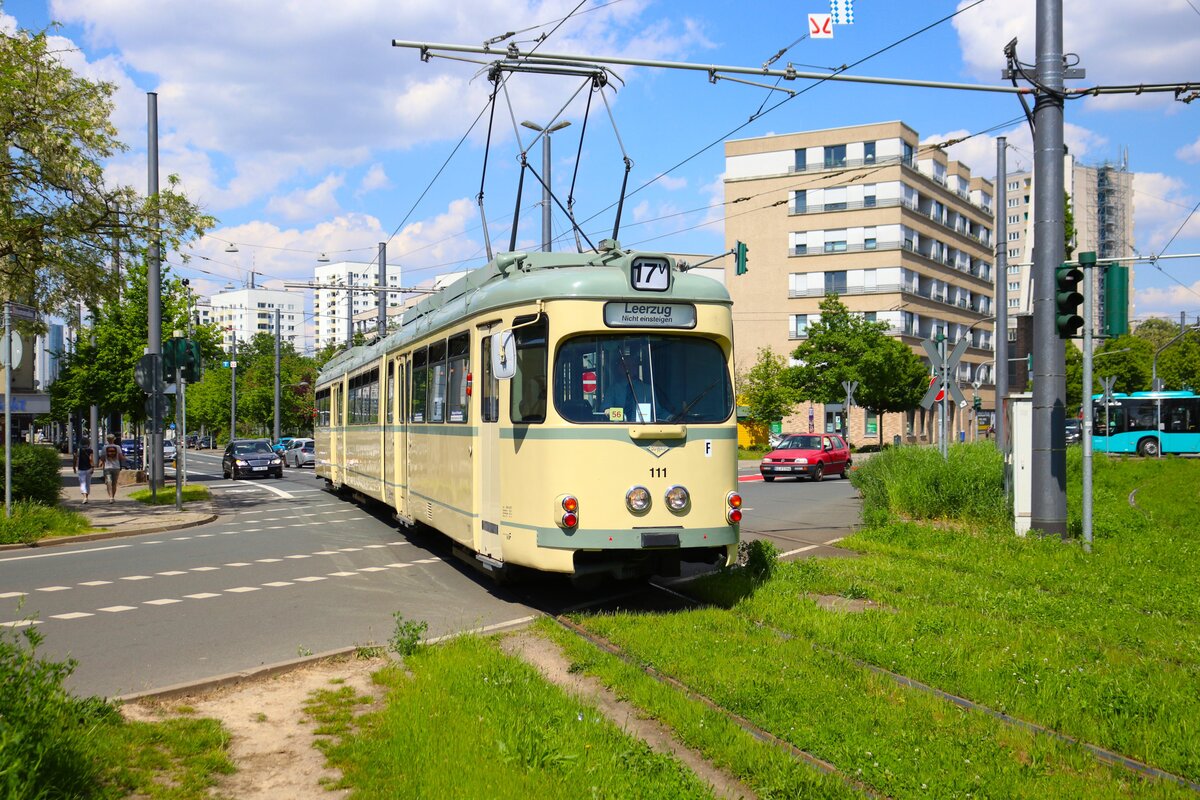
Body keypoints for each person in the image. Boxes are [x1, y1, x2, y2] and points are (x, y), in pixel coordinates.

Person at [99, 434, 125, 504]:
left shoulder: (104, 447)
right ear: (114, 439)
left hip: (107, 467)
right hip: (116, 467)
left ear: (107, 440)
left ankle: (111, 497)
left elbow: (102, 458)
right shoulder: (118, 447)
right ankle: (113, 497)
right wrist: (124, 458)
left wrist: (101, 462)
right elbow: (121, 457)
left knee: (108, 483)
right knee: (114, 483)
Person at [72, 438, 94, 504]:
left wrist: (74, 467)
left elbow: (75, 459)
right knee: (88, 483)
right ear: (88, 443)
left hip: (81, 468)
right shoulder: (90, 450)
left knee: (82, 483)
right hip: (89, 468)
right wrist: (93, 467)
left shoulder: (78, 450)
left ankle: (84, 497)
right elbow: (91, 459)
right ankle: (86, 497)